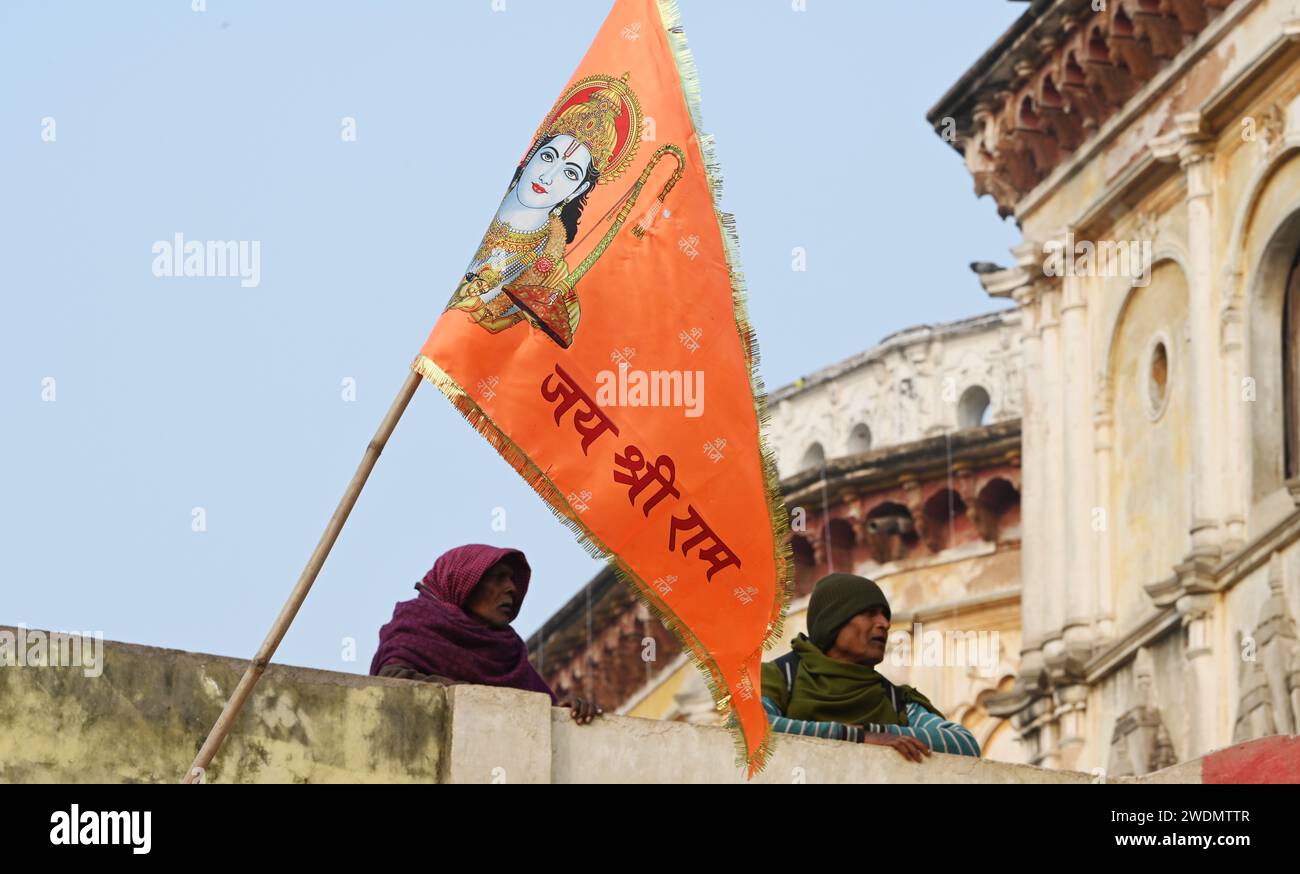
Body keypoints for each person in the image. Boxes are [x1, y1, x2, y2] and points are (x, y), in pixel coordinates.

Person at [370, 543, 600, 724]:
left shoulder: (508, 652)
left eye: (511, 580)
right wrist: (480, 697)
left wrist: (566, 714)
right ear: (462, 582)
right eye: (498, 577)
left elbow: (536, 711)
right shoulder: (417, 624)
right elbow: (394, 682)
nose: (511, 588)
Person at [761, 573, 980, 761]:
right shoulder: (780, 677)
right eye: (869, 613)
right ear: (833, 622)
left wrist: (879, 734)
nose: (885, 623)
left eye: (885, 615)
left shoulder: (897, 700)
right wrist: (856, 737)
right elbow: (748, 727)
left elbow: (963, 744)